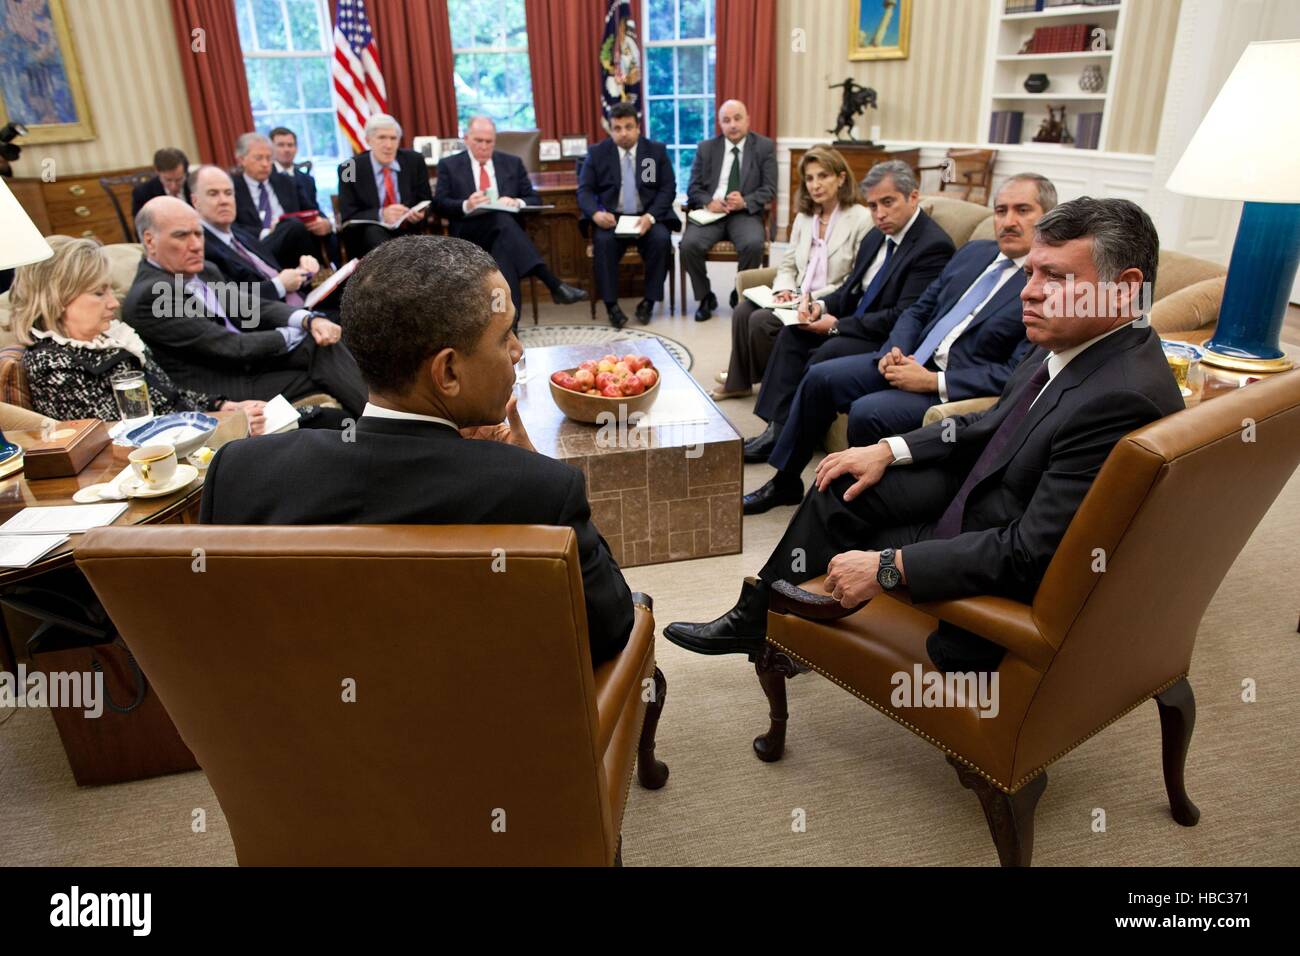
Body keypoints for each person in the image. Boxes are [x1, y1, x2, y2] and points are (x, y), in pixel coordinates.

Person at [664, 197, 1184, 673]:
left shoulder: (1120, 399)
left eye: (1056, 276)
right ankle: (763, 618)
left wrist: (889, 567)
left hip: (992, 549)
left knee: (855, 526)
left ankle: (789, 625)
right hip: (983, 492)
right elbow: (990, 424)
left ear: (1125, 287)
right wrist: (888, 449)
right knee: (842, 482)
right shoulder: (1075, 337)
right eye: (1031, 272)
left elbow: (1029, 553)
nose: (1029, 292)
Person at [199, 235, 634, 666]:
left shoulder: (240, 470)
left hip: (298, 727)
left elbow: (220, 628)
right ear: (447, 371)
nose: (519, 352)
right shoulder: (538, 489)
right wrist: (533, 468)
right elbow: (610, 627)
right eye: (506, 338)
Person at [743, 173, 1057, 516]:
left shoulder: (1046, 286)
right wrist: (896, 349)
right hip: (908, 357)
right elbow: (919, 309)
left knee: (867, 410)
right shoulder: (974, 253)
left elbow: (1017, 373)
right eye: (1000, 210)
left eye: (1022, 210)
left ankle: (852, 507)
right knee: (820, 376)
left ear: (1048, 216)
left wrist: (933, 381)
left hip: (946, 383)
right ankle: (786, 480)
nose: (1008, 221)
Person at [742, 160, 954, 465]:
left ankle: (792, 433)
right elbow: (852, 290)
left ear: (913, 197)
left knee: (830, 348)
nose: (879, 214)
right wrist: (821, 307)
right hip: (857, 320)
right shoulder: (876, 235)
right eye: (872, 205)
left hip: (884, 338)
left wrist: (837, 326)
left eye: (888, 202)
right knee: (792, 334)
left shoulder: (932, 246)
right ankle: (777, 427)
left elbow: (902, 315)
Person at [121, 197, 366, 421]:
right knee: (322, 359)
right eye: (182, 236)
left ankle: (382, 424)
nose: (196, 244)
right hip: (222, 384)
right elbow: (230, 346)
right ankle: (383, 426)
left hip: (248, 364)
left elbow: (251, 306)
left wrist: (307, 320)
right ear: (150, 241)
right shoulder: (152, 294)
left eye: (199, 233)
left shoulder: (204, 269)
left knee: (323, 342)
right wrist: (301, 331)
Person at [9, 237, 266, 432]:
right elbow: (123, 436)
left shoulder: (112, 337)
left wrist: (222, 406)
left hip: (194, 436)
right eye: (99, 293)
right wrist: (223, 426)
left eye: (110, 290)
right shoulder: (52, 364)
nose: (113, 303)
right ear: (57, 299)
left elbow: (168, 394)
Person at [713, 146, 873, 401]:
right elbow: (788, 264)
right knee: (743, 310)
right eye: (810, 178)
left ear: (841, 178)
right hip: (797, 295)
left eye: (823, 176)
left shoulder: (861, 219)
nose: (815, 185)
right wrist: (784, 289)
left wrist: (807, 299)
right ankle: (739, 382)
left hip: (828, 301)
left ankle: (772, 382)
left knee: (760, 321)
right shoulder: (804, 217)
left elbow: (853, 279)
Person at [434, 116, 586, 319]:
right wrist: (466, 204)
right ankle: (551, 282)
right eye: (479, 141)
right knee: (502, 222)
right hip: (468, 235)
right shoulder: (449, 165)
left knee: (504, 251)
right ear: (467, 138)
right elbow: (439, 204)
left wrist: (516, 202)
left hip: (505, 236)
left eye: (489, 142)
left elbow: (534, 199)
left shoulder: (511, 163)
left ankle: (510, 327)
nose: (484, 146)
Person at [576, 103, 680, 329]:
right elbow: (585, 190)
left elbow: (665, 188)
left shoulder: (652, 153)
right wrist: (595, 214)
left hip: (647, 216)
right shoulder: (598, 153)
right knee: (602, 243)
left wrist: (651, 217)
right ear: (611, 130)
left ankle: (649, 302)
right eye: (617, 128)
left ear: (638, 127)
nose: (623, 133)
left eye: (628, 127)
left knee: (661, 240)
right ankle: (612, 306)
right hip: (612, 218)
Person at [679, 100, 778, 321]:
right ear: (720, 124)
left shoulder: (763, 147)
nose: (732, 125)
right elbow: (693, 188)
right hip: (711, 214)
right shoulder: (706, 148)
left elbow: (769, 189)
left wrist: (745, 201)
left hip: (744, 213)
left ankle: (739, 292)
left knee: (753, 244)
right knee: (688, 245)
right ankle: (705, 297)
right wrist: (708, 201)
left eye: (737, 118)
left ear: (747, 120)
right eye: (726, 120)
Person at [189, 164, 321, 310]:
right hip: (273, 321)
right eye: (213, 194)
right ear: (195, 201)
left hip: (303, 303)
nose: (223, 201)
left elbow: (272, 273)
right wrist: (279, 285)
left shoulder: (239, 234)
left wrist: (302, 272)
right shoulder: (198, 247)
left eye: (228, 193)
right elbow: (229, 300)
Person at [336, 113, 433, 259]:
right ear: (368, 140)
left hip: (408, 229)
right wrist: (382, 214)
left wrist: (419, 213)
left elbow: (426, 201)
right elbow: (348, 214)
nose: (388, 145)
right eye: (382, 138)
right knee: (374, 233)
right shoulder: (348, 168)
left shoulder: (415, 160)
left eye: (393, 138)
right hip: (368, 235)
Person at [230, 132, 327, 268]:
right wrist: (268, 232)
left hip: (293, 246)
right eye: (258, 158)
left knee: (295, 227)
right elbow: (233, 228)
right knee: (293, 225)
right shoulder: (231, 188)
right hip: (257, 248)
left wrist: (325, 223)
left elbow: (311, 209)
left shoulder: (287, 182)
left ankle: (311, 275)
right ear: (241, 160)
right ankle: (315, 276)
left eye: (269, 158)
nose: (265, 164)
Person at [131, 148, 190, 216]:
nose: (173, 186)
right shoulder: (143, 193)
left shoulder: (196, 183)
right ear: (157, 171)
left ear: (185, 172)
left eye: (179, 179)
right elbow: (141, 225)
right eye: (168, 180)